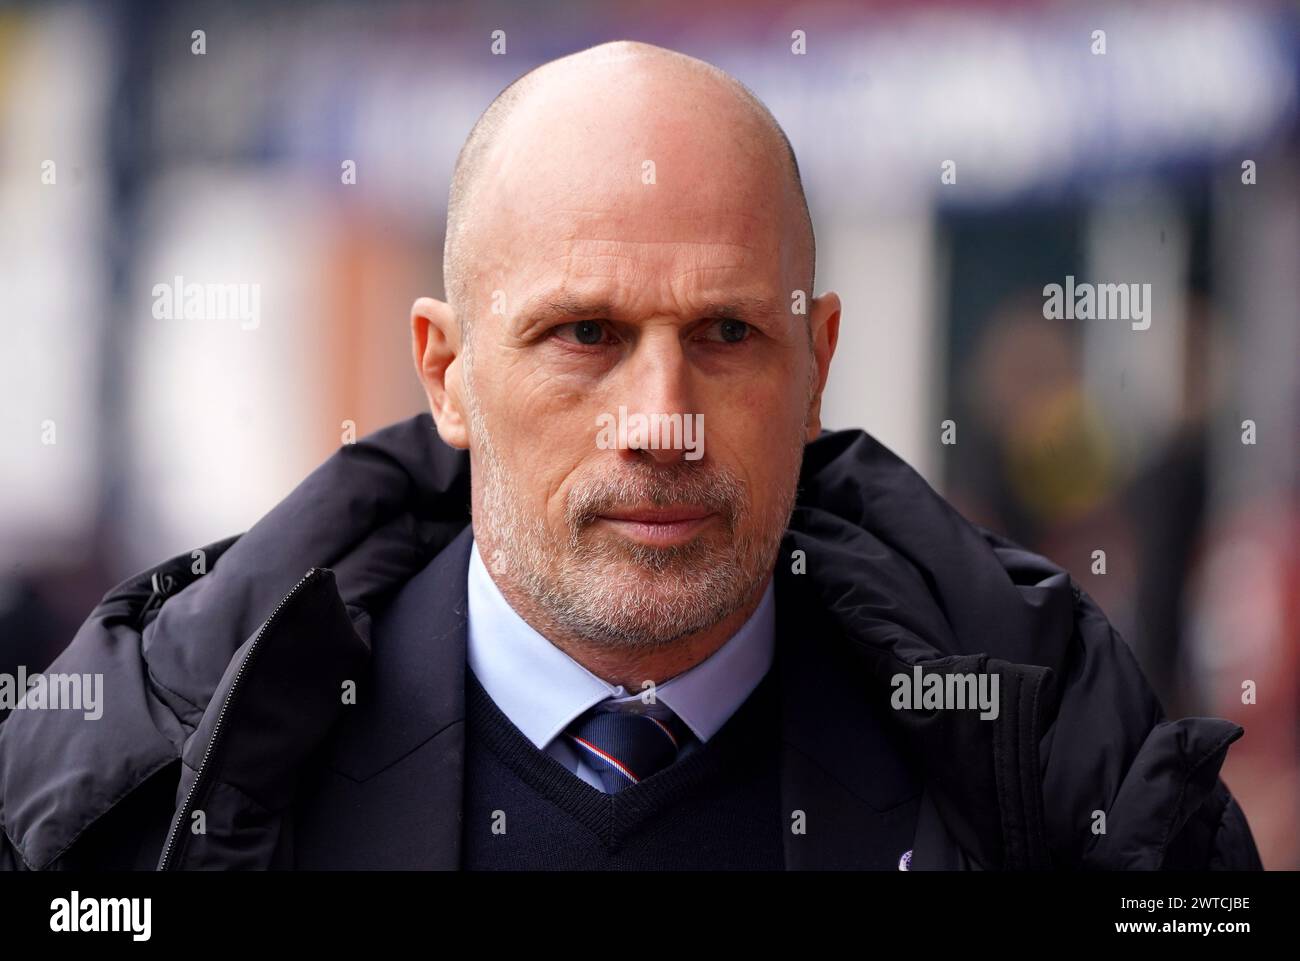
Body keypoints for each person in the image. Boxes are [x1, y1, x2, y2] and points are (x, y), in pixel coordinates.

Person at [0, 41, 1261, 871]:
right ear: (447, 372)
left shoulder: (1064, 789)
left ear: (816, 363)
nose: (662, 417)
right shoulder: (154, 804)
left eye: (725, 332)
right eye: (585, 333)